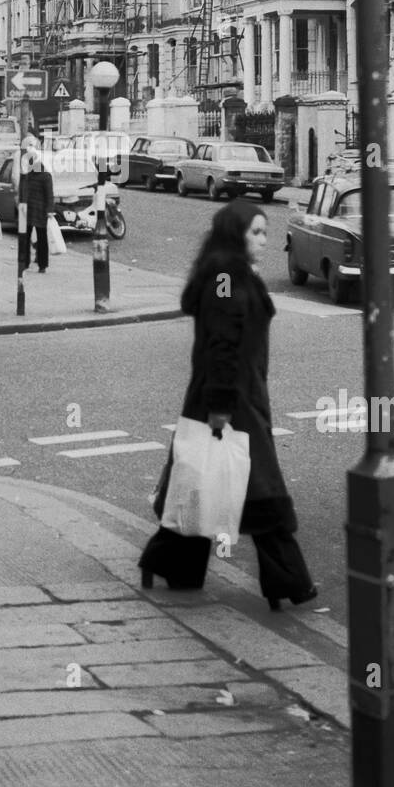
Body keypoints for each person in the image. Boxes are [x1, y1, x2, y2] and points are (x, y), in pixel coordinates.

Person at [139, 198, 317, 608]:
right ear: (234, 234)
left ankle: (171, 564)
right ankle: (289, 582)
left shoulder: (228, 271)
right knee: (263, 491)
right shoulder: (225, 276)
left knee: (202, 485)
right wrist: (220, 408)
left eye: (265, 232)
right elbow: (222, 344)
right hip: (231, 402)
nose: (263, 240)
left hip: (229, 397)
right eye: (255, 232)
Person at [21, 141, 54, 273]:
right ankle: (29, 263)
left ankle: (41, 264)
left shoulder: (45, 176)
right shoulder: (29, 175)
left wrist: (50, 210)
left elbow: (49, 194)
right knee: (28, 237)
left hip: (38, 211)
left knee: (40, 238)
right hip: (30, 210)